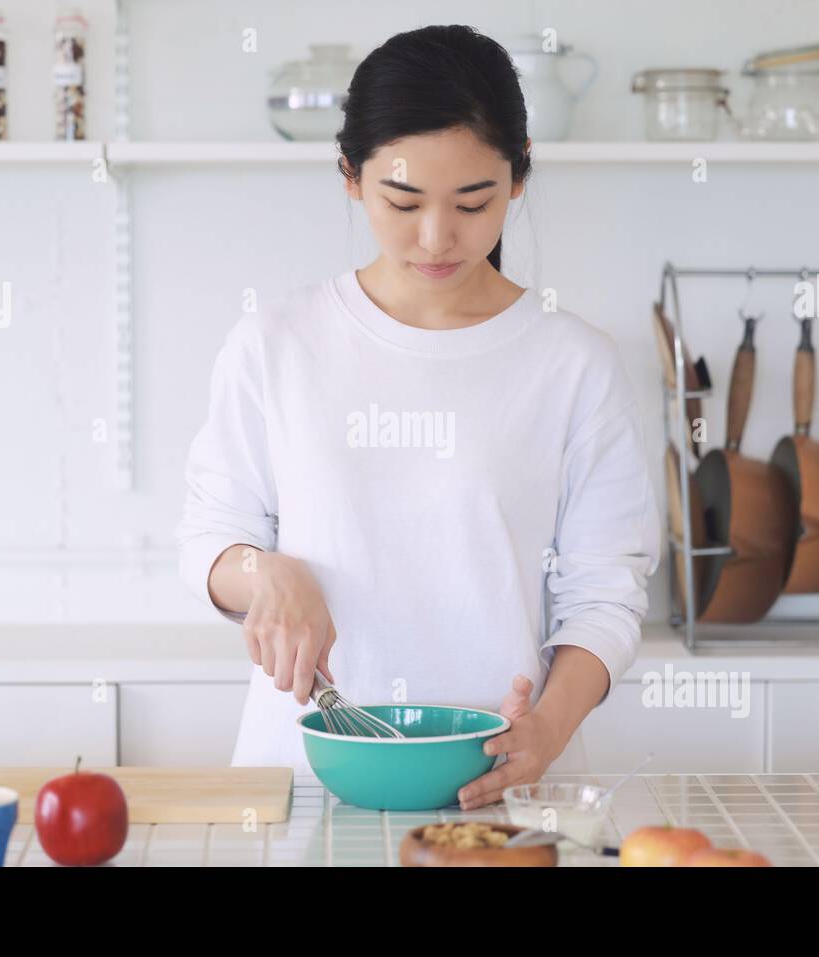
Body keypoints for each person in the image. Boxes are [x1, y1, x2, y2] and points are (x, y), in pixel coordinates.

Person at [176, 24, 660, 810]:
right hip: (300, 782)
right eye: (402, 201)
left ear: (520, 177)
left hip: (497, 786)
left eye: (475, 201)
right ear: (350, 178)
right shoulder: (277, 343)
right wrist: (267, 570)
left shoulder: (574, 362)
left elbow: (605, 591)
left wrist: (549, 727)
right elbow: (206, 537)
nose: (438, 237)